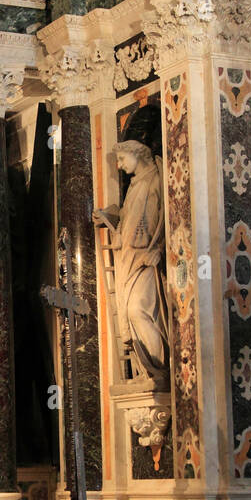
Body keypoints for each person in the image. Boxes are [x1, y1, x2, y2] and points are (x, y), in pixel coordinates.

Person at [94, 139, 168, 381]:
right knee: (128, 311)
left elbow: (171, 216)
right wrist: (108, 215)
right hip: (128, 258)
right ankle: (145, 371)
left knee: (138, 310)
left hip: (145, 259)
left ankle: (160, 370)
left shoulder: (157, 179)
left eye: (122, 159)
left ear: (137, 153)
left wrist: (160, 248)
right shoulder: (135, 185)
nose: (119, 165)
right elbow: (127, 217)